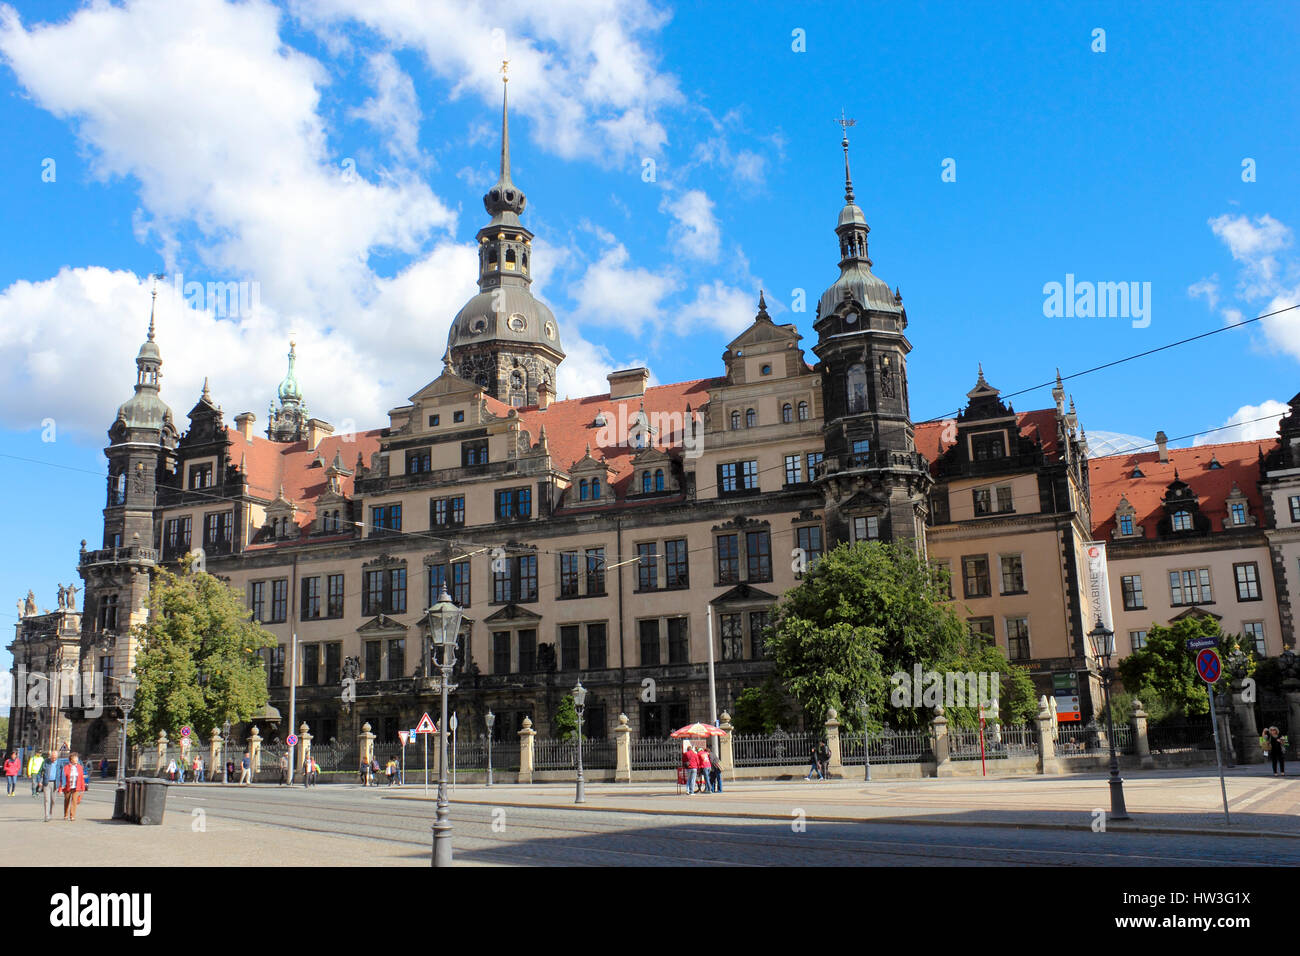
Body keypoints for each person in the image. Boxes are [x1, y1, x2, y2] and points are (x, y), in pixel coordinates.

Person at [61, 752, 87, 821]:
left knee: (74, 801)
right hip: (68, 787)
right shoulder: (66, 767)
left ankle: (72, 816)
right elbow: (63, 777)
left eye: (77, 758)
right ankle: (66, 815)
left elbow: (81, 778)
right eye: (75, 758)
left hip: (76, 787)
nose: (76, 759)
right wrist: (61, 787)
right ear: (71, 759)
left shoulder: (79, 767)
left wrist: (83, 788)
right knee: (67, 801)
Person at [42, 751, 63, 822]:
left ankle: (50, 813)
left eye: (55, 758)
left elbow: (62, 773)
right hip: (47, 782)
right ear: (50, 756)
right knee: (47, 800)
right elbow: (41, 771)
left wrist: (62, 784)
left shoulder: (59, 762)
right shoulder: (46, 761)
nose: (53, 759)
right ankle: (46, 815)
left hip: (55, 783)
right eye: (52, 758)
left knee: (53, 800)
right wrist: (39, 780)